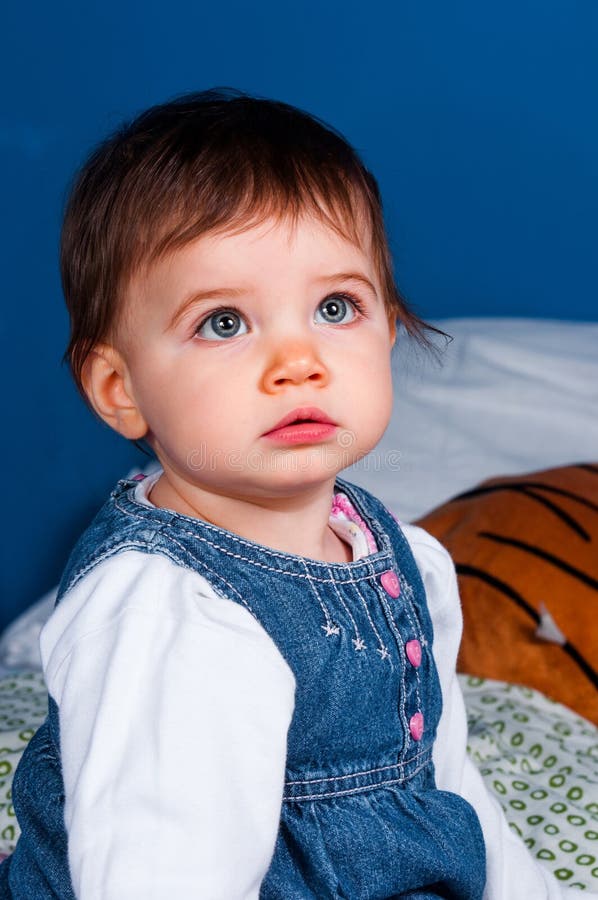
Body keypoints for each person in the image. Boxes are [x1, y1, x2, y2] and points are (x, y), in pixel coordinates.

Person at [0, 89, 588, 900]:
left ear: (387, 333)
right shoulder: (167, 613)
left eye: (335, 308)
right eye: (224, 323)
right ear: (120, 388)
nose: (297, 361)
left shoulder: (396, 557)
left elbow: (443, 785)